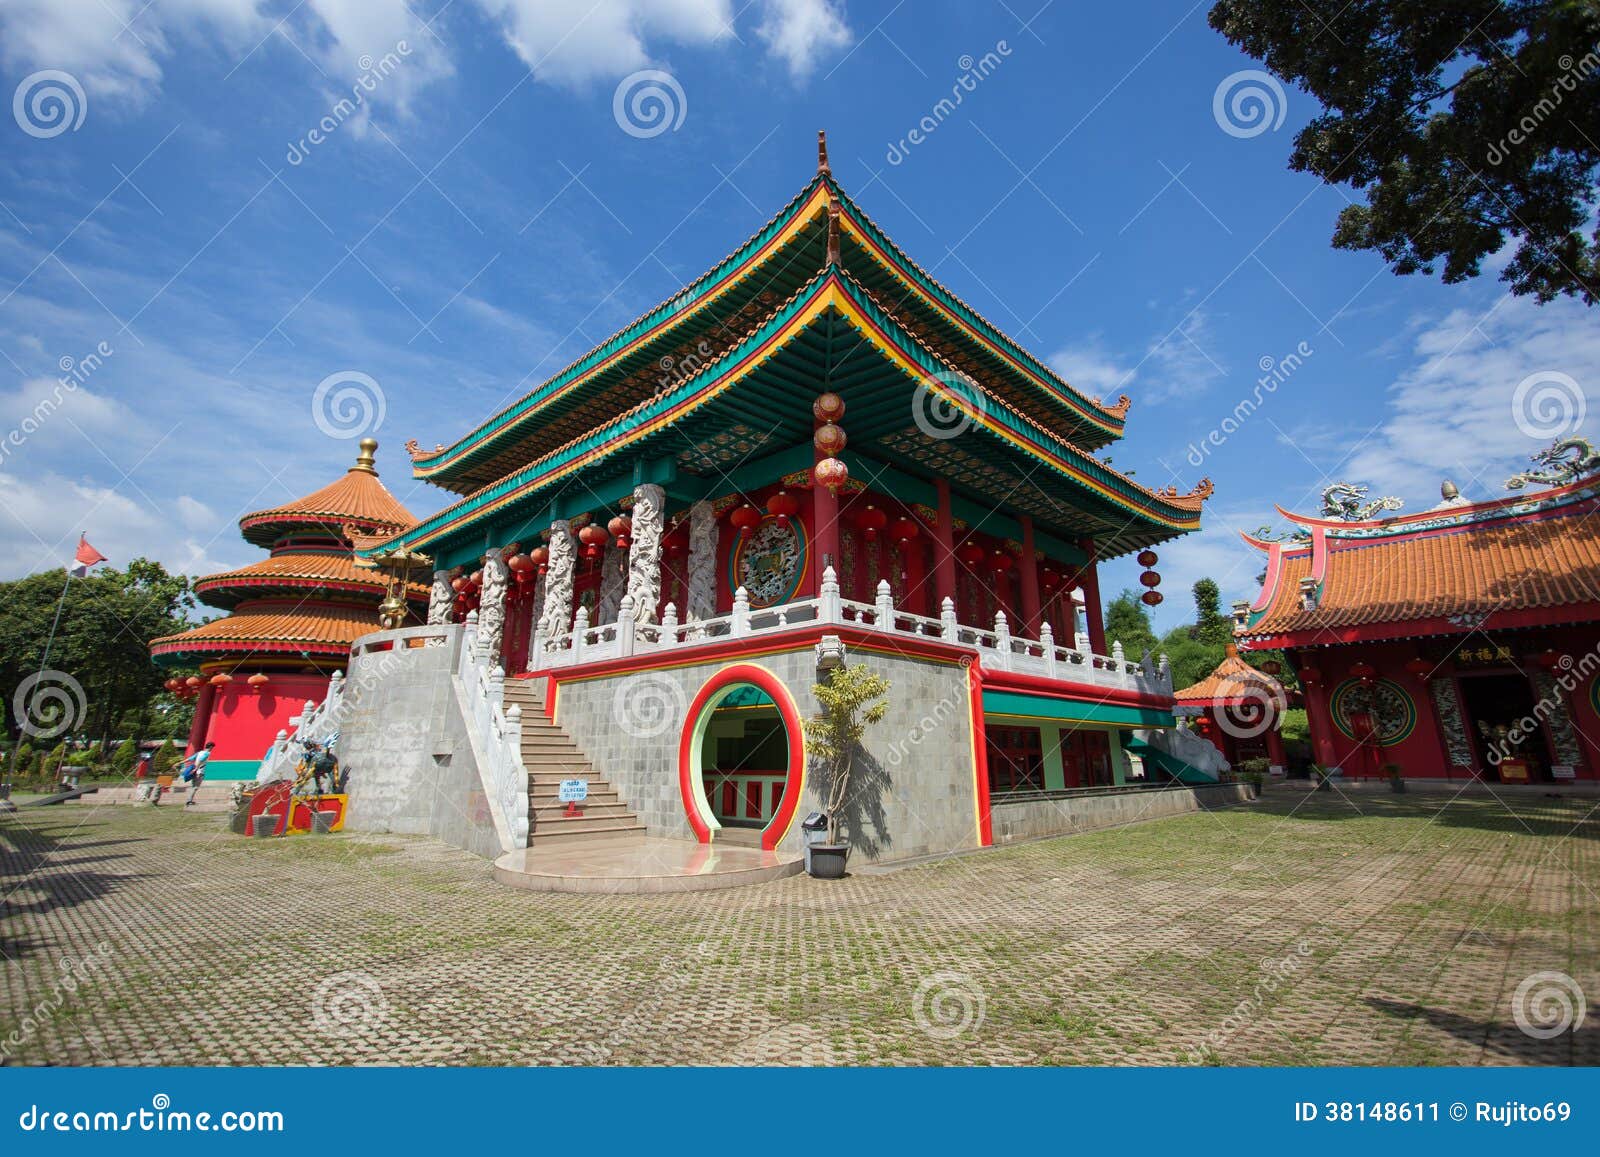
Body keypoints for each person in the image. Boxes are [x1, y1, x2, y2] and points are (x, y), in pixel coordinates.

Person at [177, 742, 215, 808]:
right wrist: (196, 769)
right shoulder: (207, 753)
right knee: (195, 787)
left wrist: (180, 762)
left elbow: (190, 758)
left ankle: (190, 800)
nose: (212, 749)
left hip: (194, 771)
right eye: (212, 747)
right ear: (211, 747)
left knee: (193, 786)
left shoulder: (199, 752)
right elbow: (201, 760)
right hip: (199, 772)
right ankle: (189, 801)